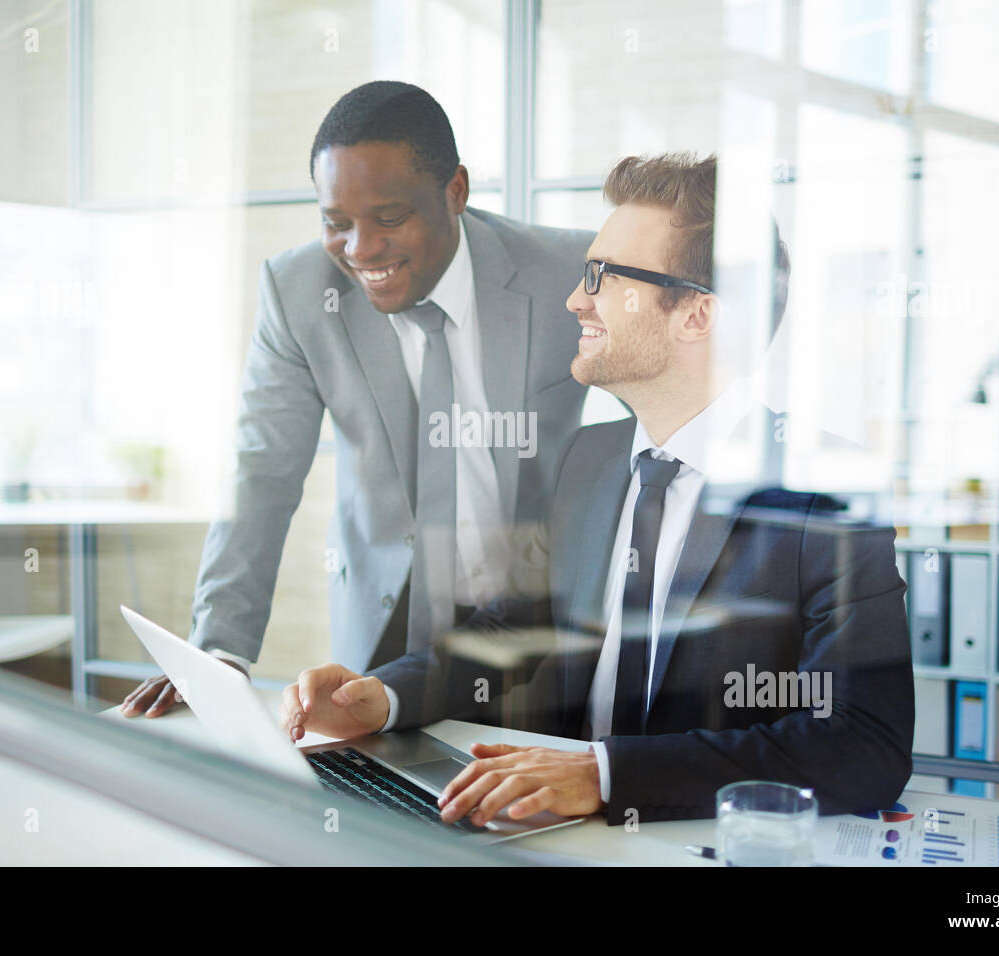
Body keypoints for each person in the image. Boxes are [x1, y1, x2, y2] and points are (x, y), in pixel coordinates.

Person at [279, 152, 915, 826]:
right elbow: (515, 622)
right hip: (561, 840)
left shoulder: (828, 499)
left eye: (603, 278)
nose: (576, 299)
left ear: (697, 315)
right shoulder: (588, 458)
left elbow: (862, 745)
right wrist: (383, 696)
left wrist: (606, 775)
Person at [123, 81, 590, 718]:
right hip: (384, 625)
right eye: (336, 223)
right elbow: (262, 473)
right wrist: (217, 651)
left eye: (390, 218)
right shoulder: (296, 293)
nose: (361, 249)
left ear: (455, 190)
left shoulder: (566, 273)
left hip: (531, 628)